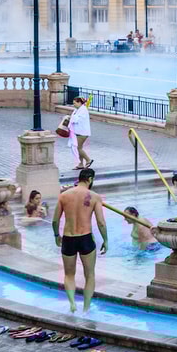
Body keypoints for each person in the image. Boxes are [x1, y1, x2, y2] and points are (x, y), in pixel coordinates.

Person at [53, 168, 107, 313]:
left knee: (69, 274)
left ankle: (72, 304)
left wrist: (56, 236)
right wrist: (105, 240)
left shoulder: (64, 196)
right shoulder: (94, 196)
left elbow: (55, 221)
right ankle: (86, 308)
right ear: (90, 179)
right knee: (89, 275)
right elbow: (101, 222)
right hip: (85, 238)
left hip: (68, 238)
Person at [69, 97, 93, 170]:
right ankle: (80, 164)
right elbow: (73, 117)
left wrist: (71, 118)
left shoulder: (83, 110)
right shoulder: (77, 109)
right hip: (78, 131)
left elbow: (77, 119)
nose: (73, 105)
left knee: (77, 147)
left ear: (79, 102)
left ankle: (88, 160)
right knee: (79, 147)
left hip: (82, 132)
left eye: (74, 103)